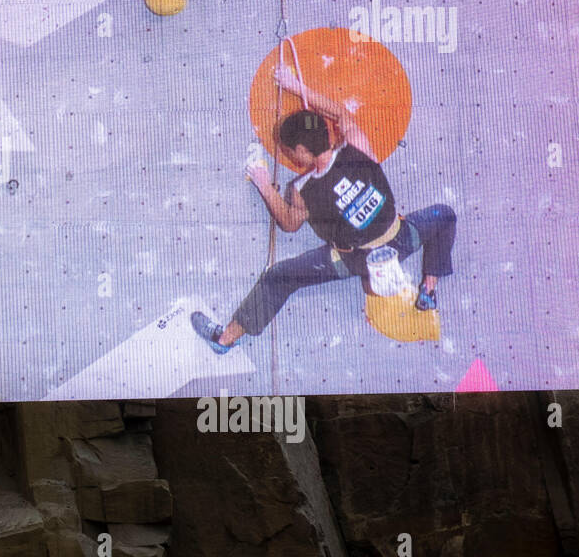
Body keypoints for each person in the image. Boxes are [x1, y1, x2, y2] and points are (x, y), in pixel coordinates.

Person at [191, 64, 456, 354]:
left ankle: (224, 339)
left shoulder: (303, 189)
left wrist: (263, 183)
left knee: (279, 276)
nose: (289, 154)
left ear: (303, 152)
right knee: (444, 216)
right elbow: (340, 113)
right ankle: (428, 291)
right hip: (400, 237)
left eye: (290, 149)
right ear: (328, 132)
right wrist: (296, 86)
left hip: (355, 260)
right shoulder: (357, 143)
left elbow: (289, 224)